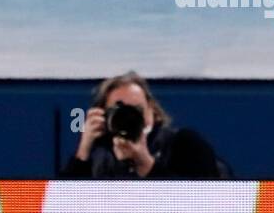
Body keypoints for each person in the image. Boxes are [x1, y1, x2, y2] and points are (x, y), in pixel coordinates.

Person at [60, 71, 226, 179]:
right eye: (120, 111)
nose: (131, 117)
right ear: (105, 116)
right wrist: (83, 150)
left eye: (137, 110)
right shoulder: (99, 156)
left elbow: (207, 206)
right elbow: (62, 210)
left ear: (153, 110)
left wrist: (145, 163)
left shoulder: (184, 143)